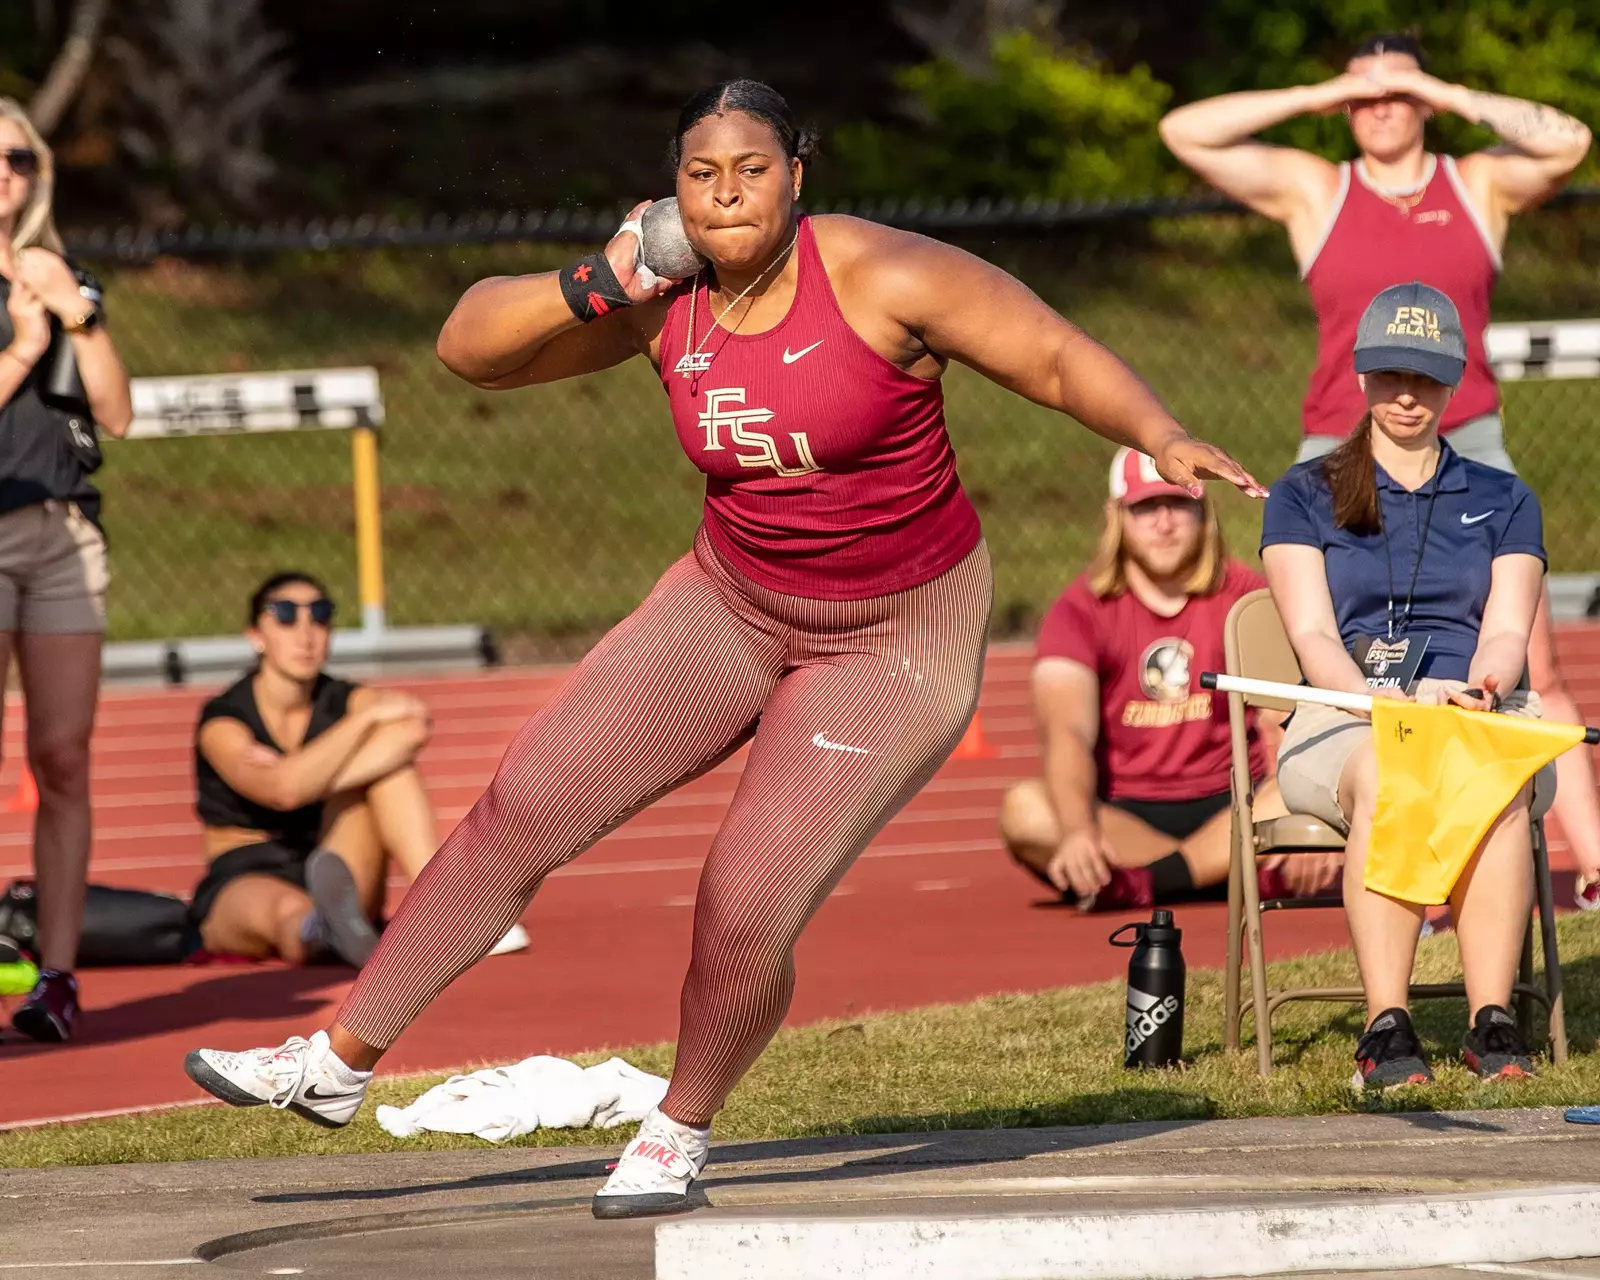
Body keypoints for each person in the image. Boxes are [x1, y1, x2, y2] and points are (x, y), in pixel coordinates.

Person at [183, 79, 1263, 1216]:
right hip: (731, 599)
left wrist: (1157, 431)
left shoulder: (882, 274)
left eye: (751, 169)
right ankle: (337, 1061)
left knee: (743, 901)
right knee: (524, 802)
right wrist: (608, 275)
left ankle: (679, 1124)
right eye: (702, 175)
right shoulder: (667, 295)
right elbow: (472, 352)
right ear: (673, 191)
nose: (727, 193)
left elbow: (1049, 354)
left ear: (799, 173)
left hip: (894, 634)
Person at [1158, 31, 1600, 908]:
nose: (1380, 107)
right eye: (1364, 98)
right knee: (1341, 648)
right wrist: (1323, 93)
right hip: (1338, 448)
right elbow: (1187, 133)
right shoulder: (1318, 189)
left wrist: (1438, 86)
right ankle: (1386, 840)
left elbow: (1570, 140)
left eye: (1397, 93)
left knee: (1525, 661)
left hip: (1465, 438)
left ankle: (1588, 863)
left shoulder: (1474, 184)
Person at [1263, 281, 1549, 1091]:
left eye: (1424, 377)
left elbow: (1506, 629)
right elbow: (1313, 634)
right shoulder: (1302, 494)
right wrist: (1377, 700)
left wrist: (1481, 688)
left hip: (1473, 714)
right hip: (1347, 716)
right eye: (1390, 375)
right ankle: (1386, 1029)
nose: (1406, 395)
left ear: (1453, 381)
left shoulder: (1505, 498)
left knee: (1490, 782)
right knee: (1393, 776)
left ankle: (1491, 1022)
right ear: (1360, 378)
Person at [1001, 447, 1333, 912]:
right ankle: (1226, 870)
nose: (1164, 523)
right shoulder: (1078, 611)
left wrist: (1300, 817)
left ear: (1203, 512)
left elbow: (1284, 718)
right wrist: (1078, 831)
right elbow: (1067, 733)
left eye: (1178, 504)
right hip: (1126, 811)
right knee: (1026, 811)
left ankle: (1151, 882)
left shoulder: (1246, 596)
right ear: (1117, 517)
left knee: (1299, 790)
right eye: (1145, 508)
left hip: (1233, 801)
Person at [190, 571, 529, 967]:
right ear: (256, 635)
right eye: (284, 616)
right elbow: (280, 791)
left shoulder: (342, 698)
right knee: (287, 912)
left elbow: (412, 724)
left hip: (336, 854)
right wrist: (362, 726)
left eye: (320, 616)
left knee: (391, 771)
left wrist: (303, 774)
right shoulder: (225, 720)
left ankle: (450, 906)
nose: (306, 633)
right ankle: (321, 930)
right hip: (249, 867)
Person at [0, 99, 133, 1042]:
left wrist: (76, 314)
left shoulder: (58, 274)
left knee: (64, 758)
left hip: (62, 533)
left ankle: (55, 976)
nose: (2, 172)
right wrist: (22, 345)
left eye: (16, 157)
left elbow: (118, 415)